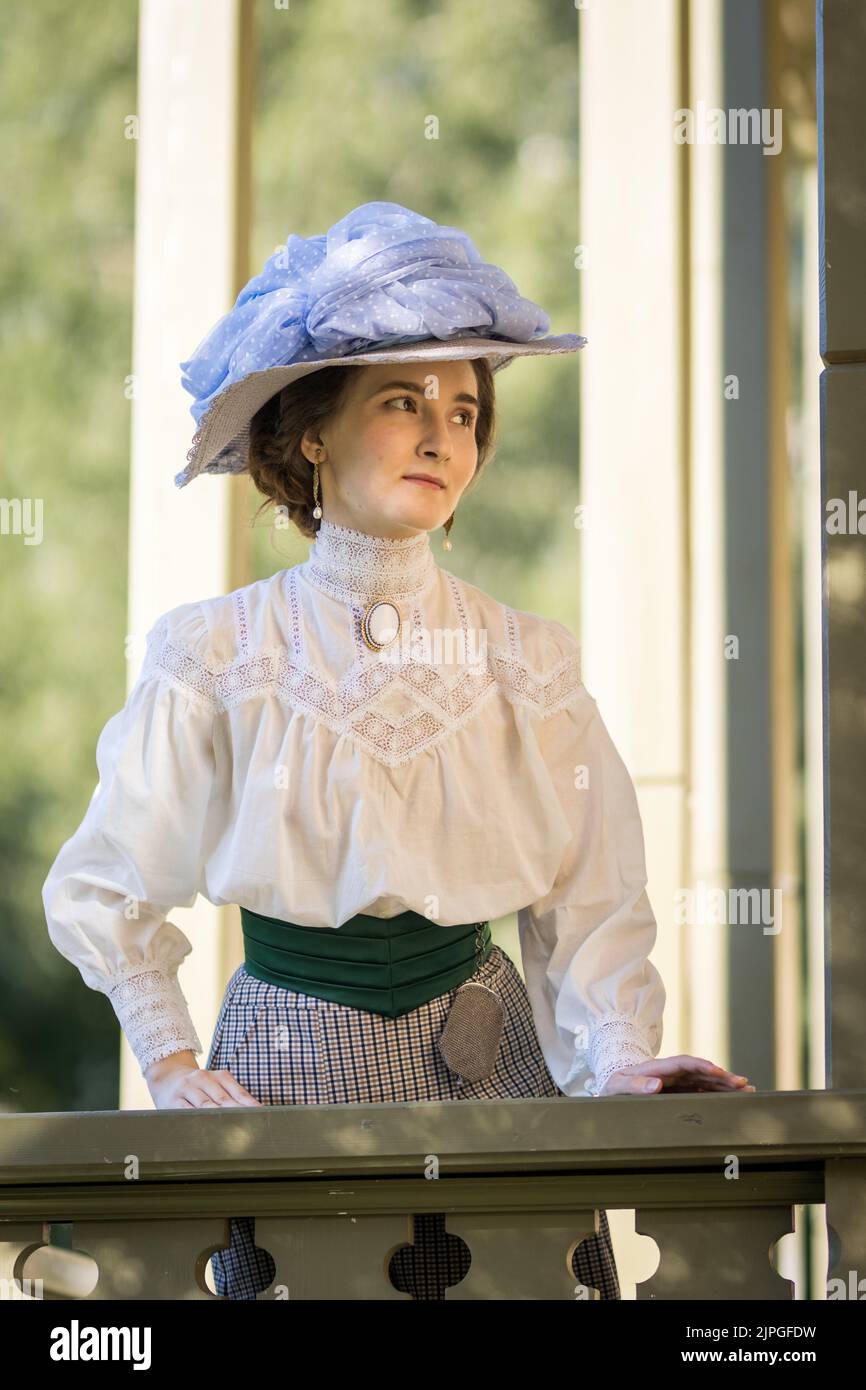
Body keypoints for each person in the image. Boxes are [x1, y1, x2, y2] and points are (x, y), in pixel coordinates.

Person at [42, 201, 752, 1302]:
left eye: (465, 412)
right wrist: (173, 1061)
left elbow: (591, 897)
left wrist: (620, 1060)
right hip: (284, 1079)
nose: (442, 435)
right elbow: (103, 883)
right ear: (312, 430)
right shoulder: (219, 653)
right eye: (402, 402)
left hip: (494, 1069)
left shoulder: (526, 661)